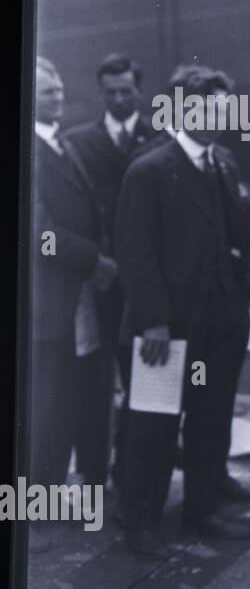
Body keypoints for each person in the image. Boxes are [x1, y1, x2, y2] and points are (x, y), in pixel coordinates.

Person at [114, 66, 250, 556]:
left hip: (220, 320)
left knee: (210, 415)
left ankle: (202, 510)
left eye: (225, 108)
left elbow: (232, 232)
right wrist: (153, 319)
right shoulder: (150, 167)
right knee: (153, 425)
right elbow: (134, 251)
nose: (221, 117)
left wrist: (239, 283)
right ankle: (141, 525)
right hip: (167, 328)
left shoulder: (222, 163)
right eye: (210, 108)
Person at [63, 54, 164, 494]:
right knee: (92, 379)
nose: (119, 98)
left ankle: (134, 472)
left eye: (127, 90)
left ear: (139, 91)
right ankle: (92, 475)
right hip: (98, 280)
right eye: (111, 92)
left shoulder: (161, 140)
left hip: (146, 281)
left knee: (147, 378)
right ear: (100, 92)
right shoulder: (75, 142)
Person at [30, 57, 116, 543]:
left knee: (82, 401)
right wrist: (93, 259)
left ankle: (80, 499)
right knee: (48, 409)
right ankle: (37, 517)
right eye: (46, 90)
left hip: (80, 300)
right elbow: (39, 233)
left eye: (59, 86)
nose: (57, 95)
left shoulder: (63, 145)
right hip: (51, 305)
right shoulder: (31, 151)